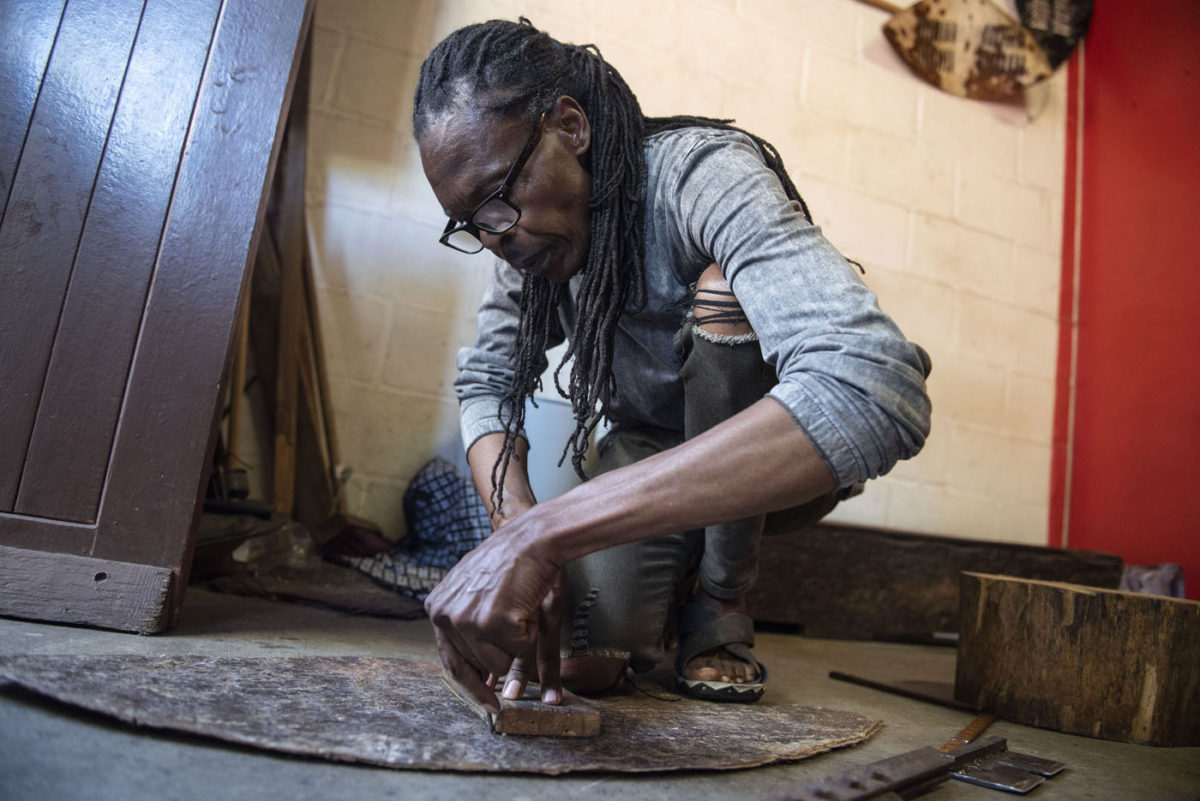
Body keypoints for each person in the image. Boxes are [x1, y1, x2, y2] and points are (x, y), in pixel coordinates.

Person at [412, 19, 932, 712]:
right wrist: (516, 532)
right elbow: (487, 383)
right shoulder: (525, 241)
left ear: (570, 126)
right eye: (469, 222)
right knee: (574, 667)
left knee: (724, 295)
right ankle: (667, 573)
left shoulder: (700, 173)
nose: (492, 236)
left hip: (764, 455)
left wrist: (550, 531)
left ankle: (721, 600)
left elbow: (876, 387)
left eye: (496, 198)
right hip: (647, 444)